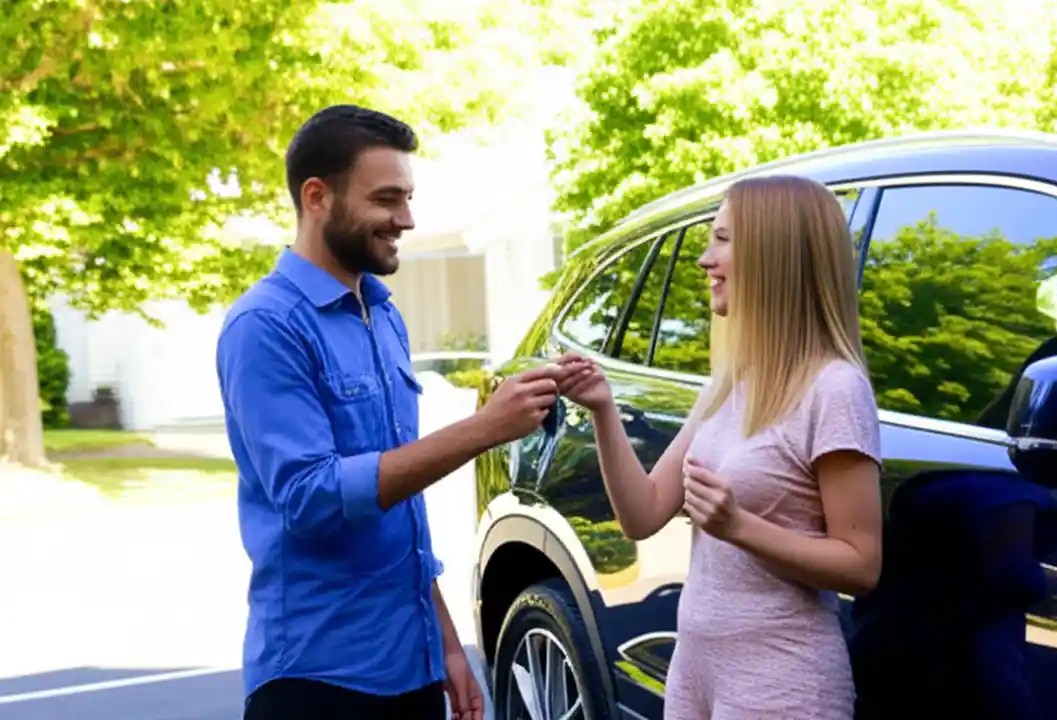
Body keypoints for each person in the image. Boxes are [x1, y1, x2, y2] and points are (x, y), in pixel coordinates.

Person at [216, 104, 562, 720]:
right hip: (318, 681)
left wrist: (448, 644)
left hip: (412, 665)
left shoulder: (383, 313)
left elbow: (399, 510)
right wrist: (483, 431)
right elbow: (311, 497)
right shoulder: (264, 326)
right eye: (386, 199)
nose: (405, 218)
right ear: (316, 196)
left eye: (407, 197)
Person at [556, 175, 884, 719]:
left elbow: (861, 565)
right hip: (696, 670)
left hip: (783, 681)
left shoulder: (835, 388)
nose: (706, 259)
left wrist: (740, 527)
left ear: (773, 252)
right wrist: (603, 410)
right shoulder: (732, 382)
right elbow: (642, 515)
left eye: (723, 240)